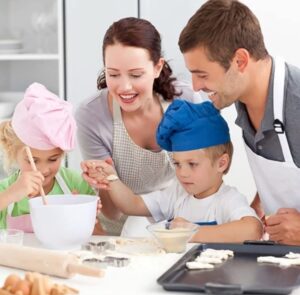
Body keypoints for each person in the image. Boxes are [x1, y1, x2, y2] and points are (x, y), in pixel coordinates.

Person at [178, 0, 300, 245]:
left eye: (202, 74)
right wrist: (257, 205)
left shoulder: (296, 102)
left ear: (240, 61)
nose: (196, 86)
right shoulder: (237, 96)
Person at [76, 17, 200, 236]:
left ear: (157, 67)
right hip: (119, 235)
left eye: (135, 75)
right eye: (113, 74)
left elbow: (205, 179)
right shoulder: (91, 116)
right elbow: (112, 212)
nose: (124, 87)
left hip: (178, 225)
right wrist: (103, 179)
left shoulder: (187, 101)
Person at [83, 100, 262, 243]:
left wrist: (193, 233)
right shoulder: (177, 194)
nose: (182, 173)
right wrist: (110, 178)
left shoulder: (227, 200)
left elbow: (253, 230)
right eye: (177, 164)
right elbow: (132, 204)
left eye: (192, 164)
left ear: (221, 163)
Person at [0, 82, 102, 233]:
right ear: (12, 151)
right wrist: (11, 195)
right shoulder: (5, 189)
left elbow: (99, 237)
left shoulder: (75, 184)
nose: (44, 169)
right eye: (33, 161)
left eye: (53, 159)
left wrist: (82, 216)